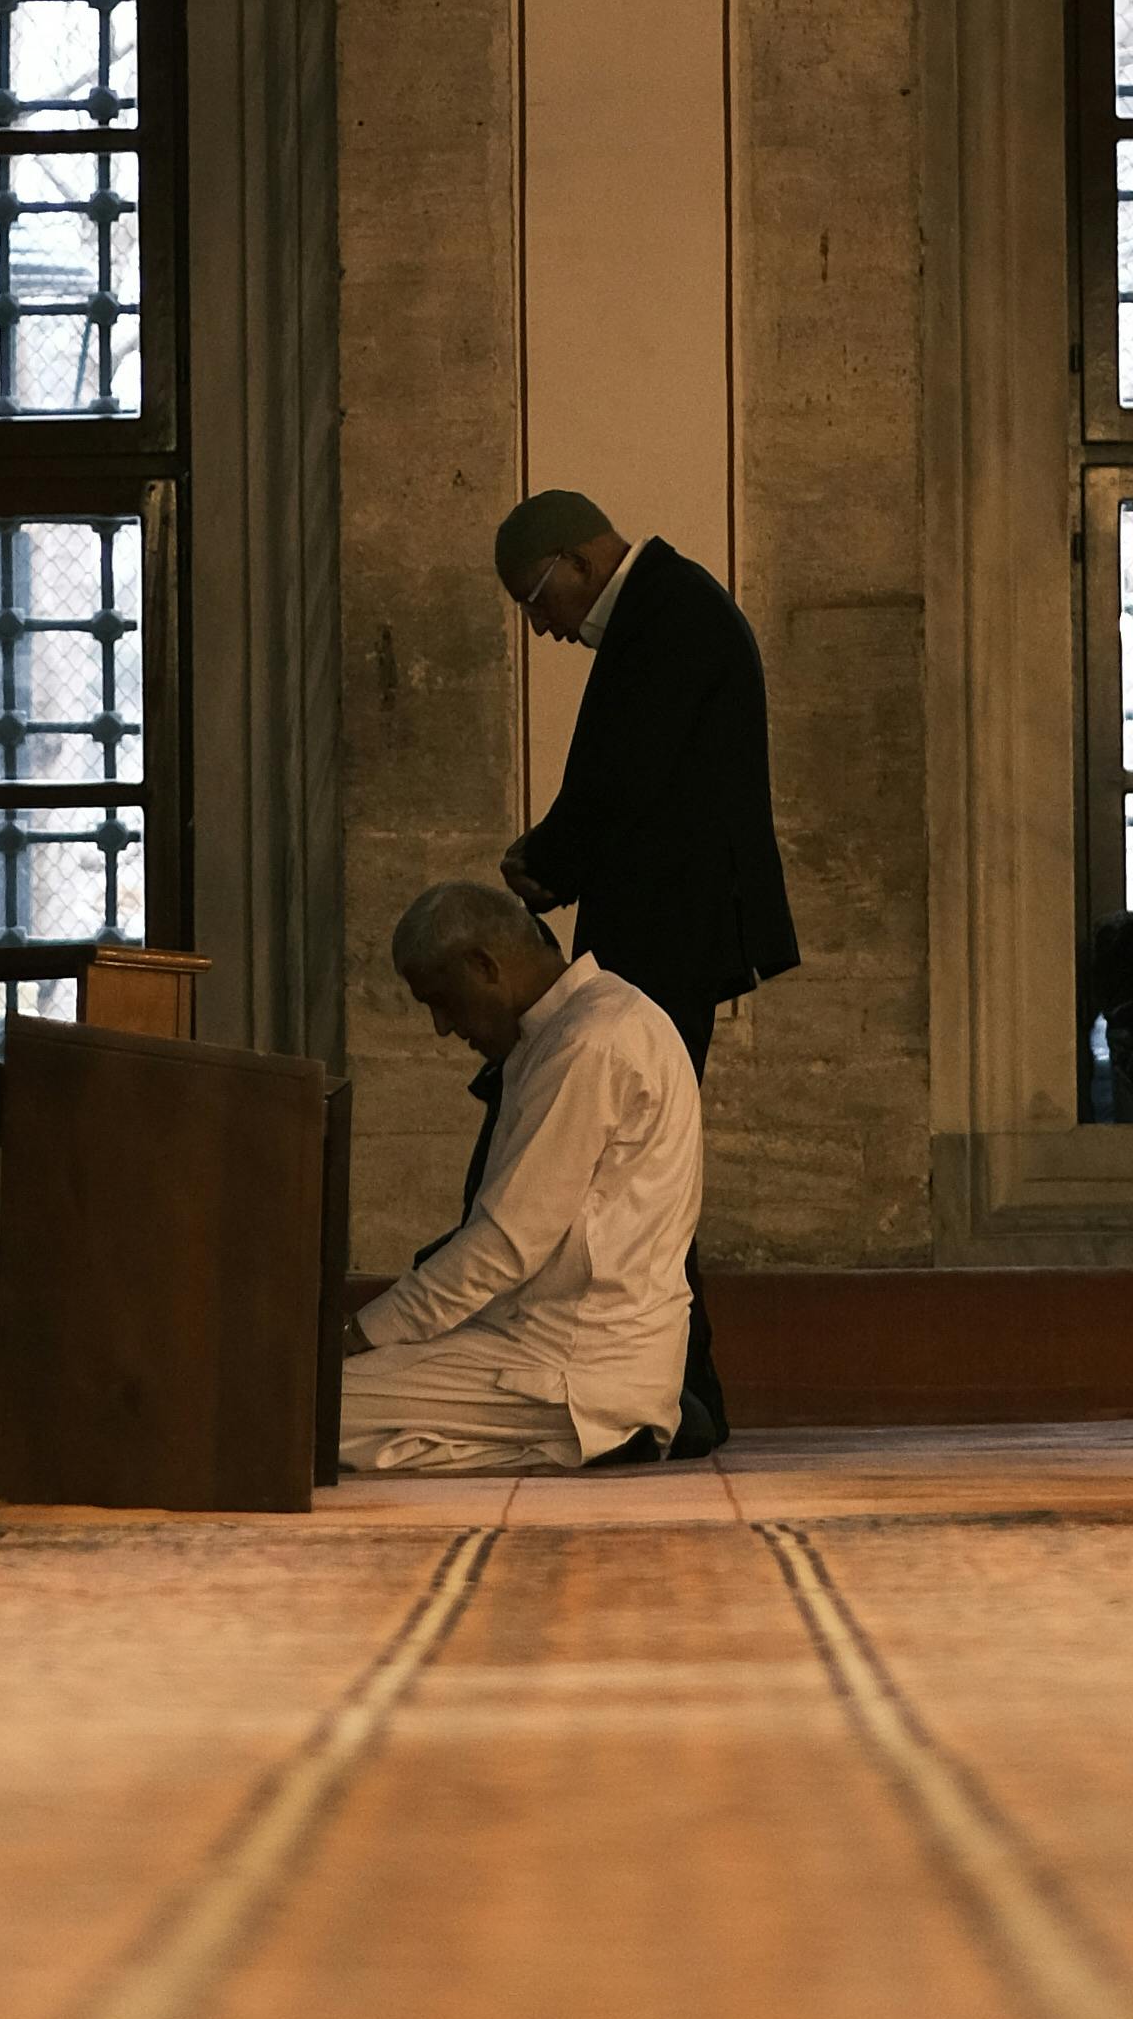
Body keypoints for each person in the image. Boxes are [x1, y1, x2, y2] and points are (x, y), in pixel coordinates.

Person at [491, 489, 799, 1459]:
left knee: (635, 1172)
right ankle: (672, 1386)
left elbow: (620, 780)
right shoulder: (672, 607)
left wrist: (543, 863)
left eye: (537, 600)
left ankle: (671, 1391)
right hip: (666, 929)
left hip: (669, 934)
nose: (542, 628)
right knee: (637, 1166)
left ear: (577, 563)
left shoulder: (668, 615)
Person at [340, 881, 704, 1476]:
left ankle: (602, 1429)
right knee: (339, 1421)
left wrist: (359, 1332)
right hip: (552, 1346)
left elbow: (503, 1245)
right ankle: (573, 1444)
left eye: (441, 999)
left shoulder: (590, 1041)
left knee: (298, 1407)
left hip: (571, 1357)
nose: (441, 1027)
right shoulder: (584, 1023)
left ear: (485, 966)